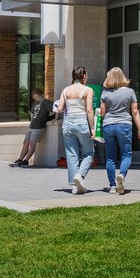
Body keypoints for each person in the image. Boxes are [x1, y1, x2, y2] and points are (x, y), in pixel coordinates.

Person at [97, 68, 140, 195]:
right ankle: (122, 175)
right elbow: (135, 112)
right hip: (124, 125)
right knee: (126, 154)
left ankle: (112, 186)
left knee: (110, 157)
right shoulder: (130, 92)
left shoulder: (105, 92)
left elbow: (102, 113)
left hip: (109, 125)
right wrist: (139, 129)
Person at [56, 66, 96, 194]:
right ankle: (80, 175)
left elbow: (60, 108)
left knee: (71, 154)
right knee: (89, 153)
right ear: (83, 76)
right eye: (87, 75)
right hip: (82, 122)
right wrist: (93, 128)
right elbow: (89, 110)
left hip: (68, 124)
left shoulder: (66, 90)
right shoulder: (87, 90)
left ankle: (75, 186)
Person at [13, 89, 53, 167]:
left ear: (41, 94)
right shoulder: (35, 103)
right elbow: (34, 113)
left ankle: (26, 160)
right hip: (32, 125)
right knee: (26, 143)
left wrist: (54, 118)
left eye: (37, 96)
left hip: (39, 126)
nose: (35, 98)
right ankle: (20, 159)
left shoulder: (46, 102)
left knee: (32, 143)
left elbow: (55, 109)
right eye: (34, 96)